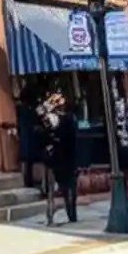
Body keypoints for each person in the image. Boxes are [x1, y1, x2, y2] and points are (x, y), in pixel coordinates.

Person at [40, 91, 79, 224]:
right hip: (64, 157)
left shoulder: (61, 120)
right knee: (67, 187)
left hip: (60, 157)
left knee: (60, 188)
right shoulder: (66, 119)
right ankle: (70, 214)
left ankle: (60, 214)